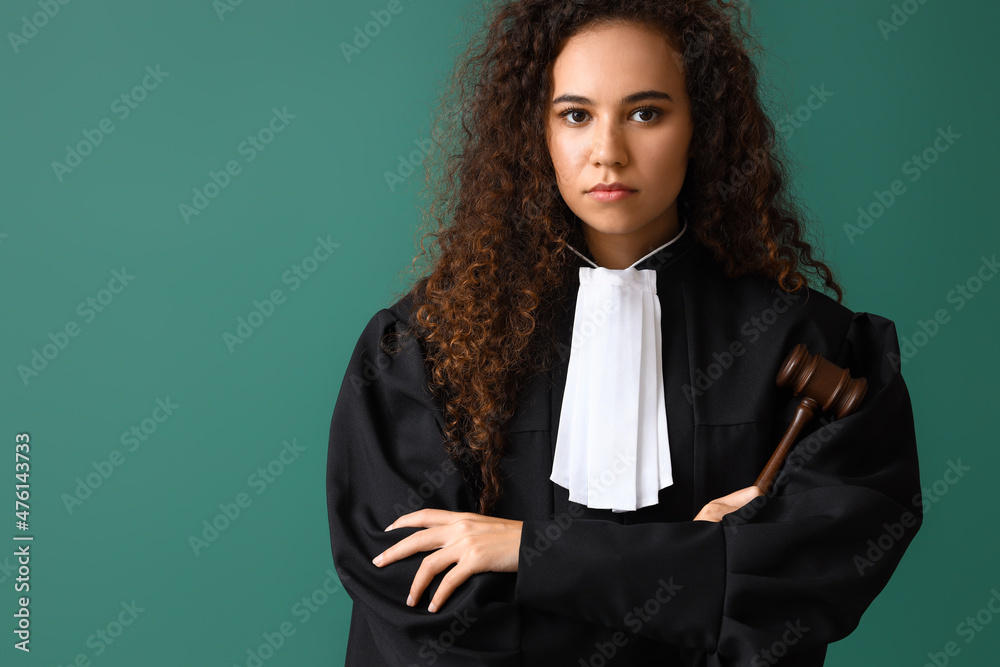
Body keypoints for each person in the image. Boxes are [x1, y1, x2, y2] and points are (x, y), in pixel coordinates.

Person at [325, 1, 922, 664]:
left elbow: (806, 589)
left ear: (702, 126)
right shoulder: (425, 346)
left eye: (646, 112)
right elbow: (423, 623)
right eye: (575, 115)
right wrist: (690, 569)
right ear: (538, 133)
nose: (607, 152)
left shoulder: (807, 342)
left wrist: (524, 551)